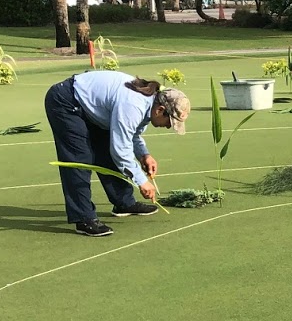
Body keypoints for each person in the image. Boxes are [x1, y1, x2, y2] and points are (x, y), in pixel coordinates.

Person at [44, 71, 190, 237]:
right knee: (80, 159)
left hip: (88, 107)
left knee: (106, 151)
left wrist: (144, 155)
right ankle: (83, 218)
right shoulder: (133, 105)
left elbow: (132, 135)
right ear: (160, 110)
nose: (168, 127)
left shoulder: (148, 103)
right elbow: (121, 150)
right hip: (66, 102)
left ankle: (124, 203)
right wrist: (142, 181)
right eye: (169, 122)